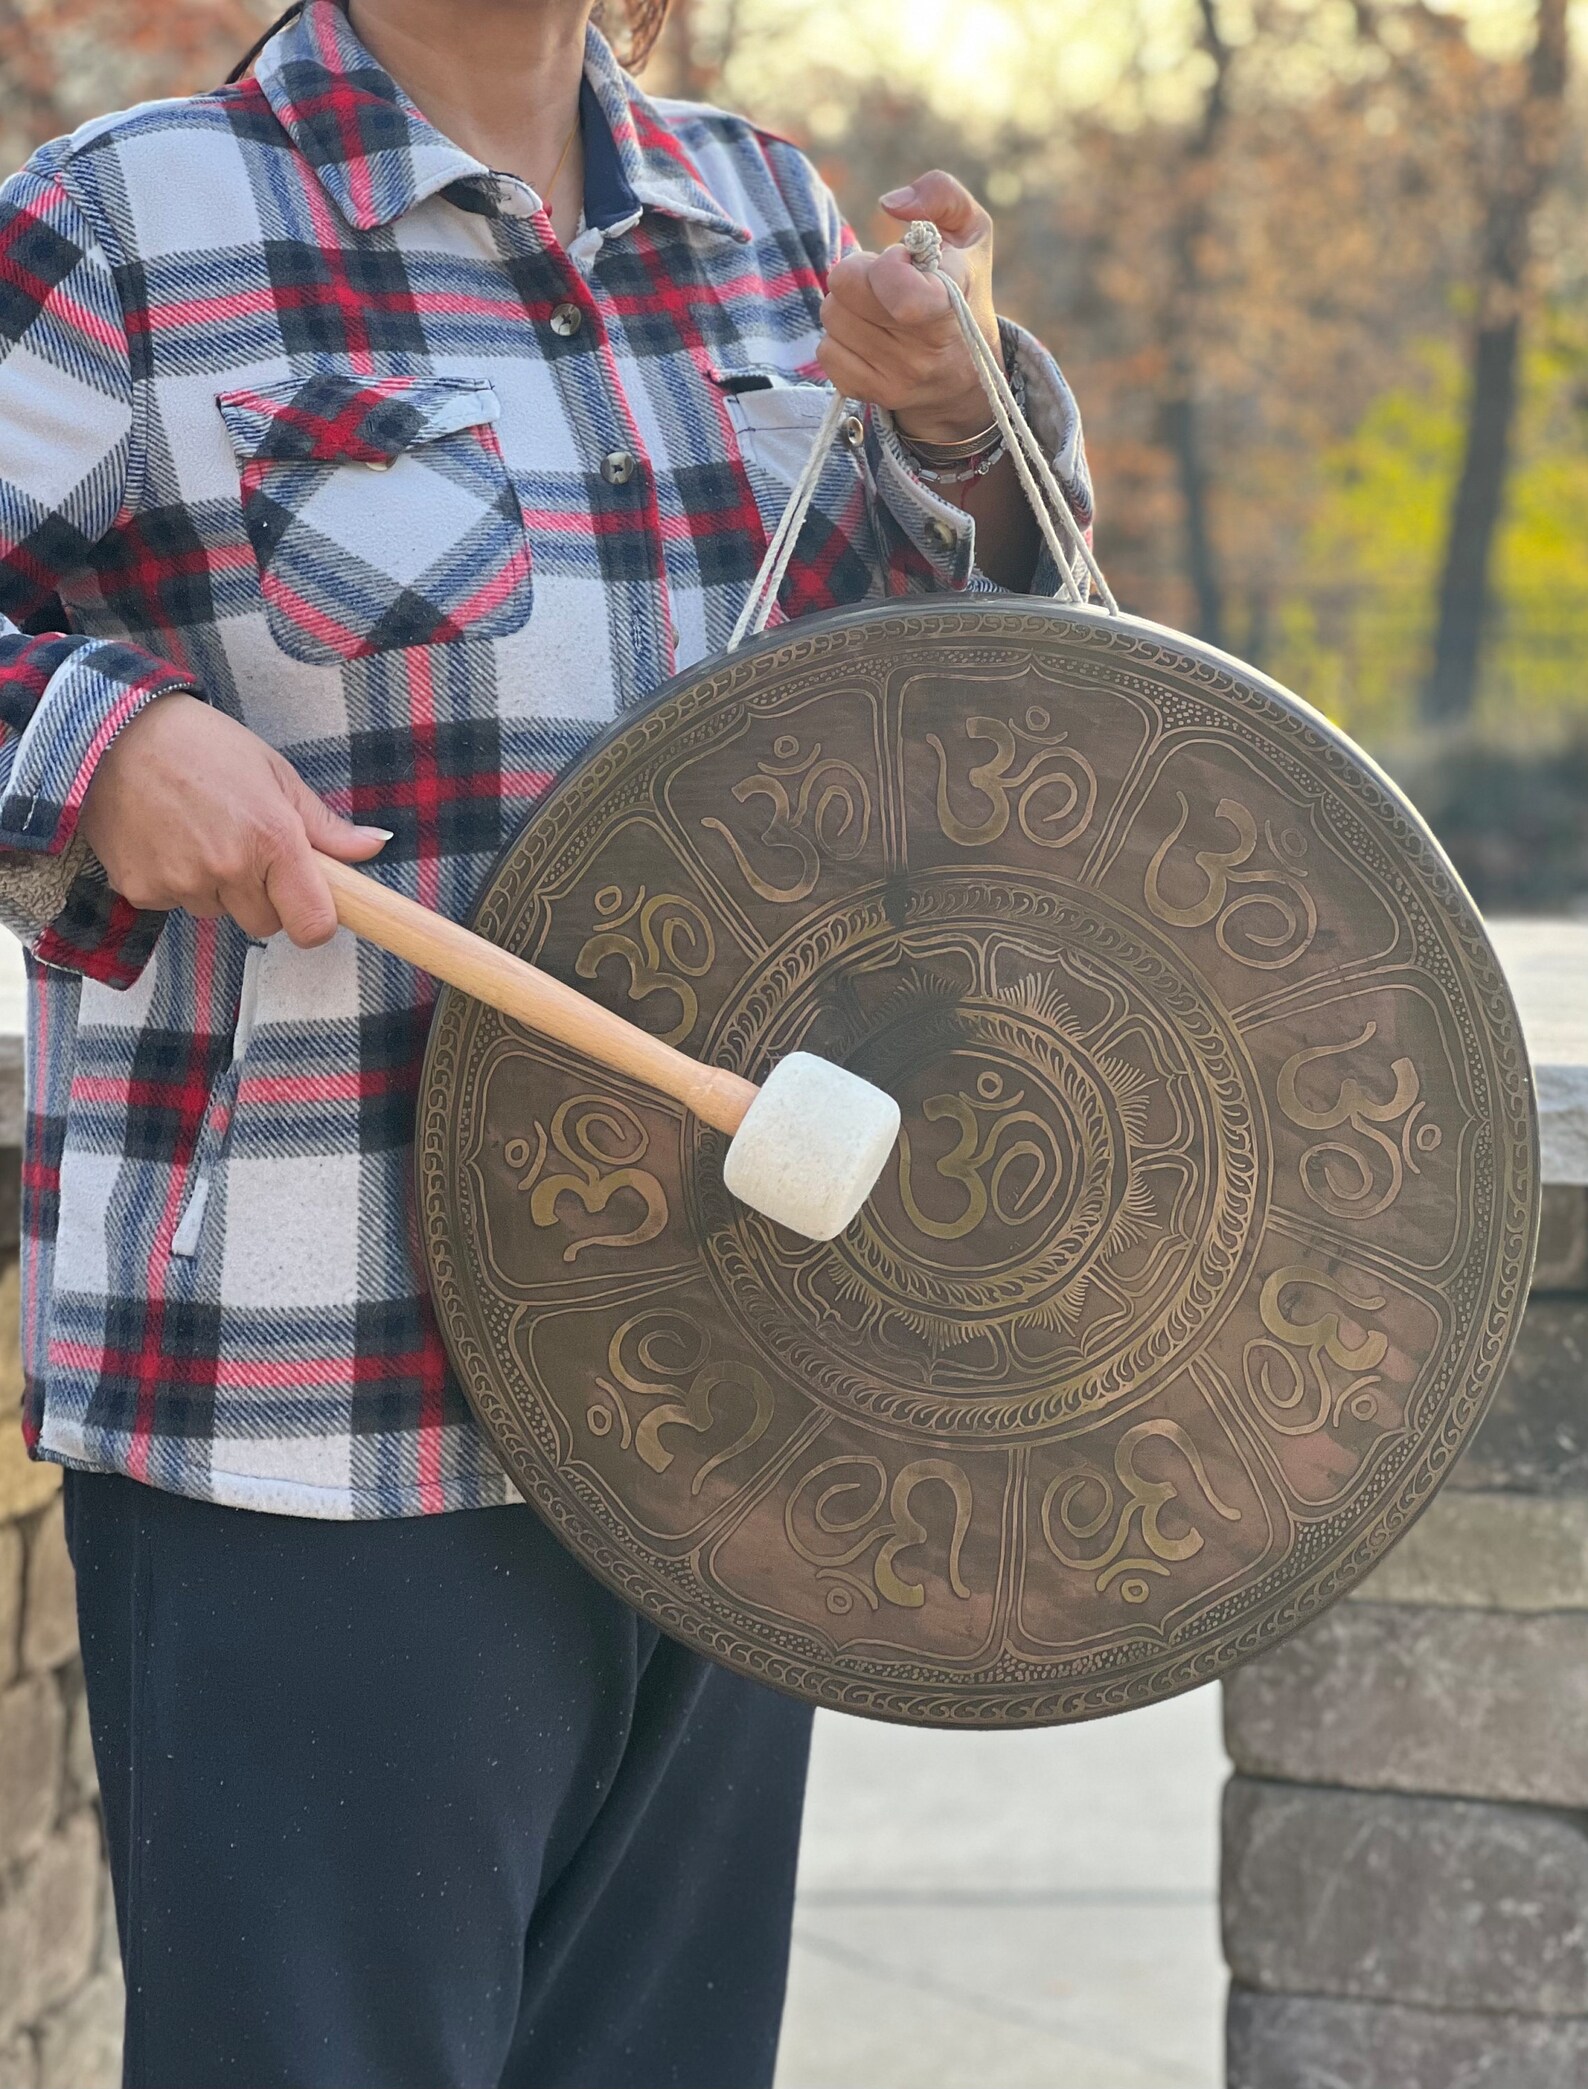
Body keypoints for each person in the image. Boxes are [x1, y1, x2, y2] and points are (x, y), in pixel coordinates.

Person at [0, 1, 1094, 2082]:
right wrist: (100, 741)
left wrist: (956, 422)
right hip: (317, 1431)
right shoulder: (128, 222)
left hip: (732, 1400)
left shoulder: (766, 212)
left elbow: (974, 709)